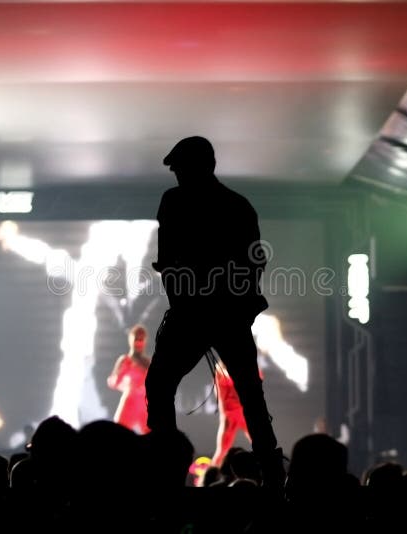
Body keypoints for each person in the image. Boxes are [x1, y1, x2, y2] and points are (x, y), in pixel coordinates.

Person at [145, 135, 285, 493]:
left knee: (159, 385)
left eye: (179, 167)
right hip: (228, 315)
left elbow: (170, 262)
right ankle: (272, 477)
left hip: (193, 315)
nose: (175, 173)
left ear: (193, 166)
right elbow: (254, 265)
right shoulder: (238, 206)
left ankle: (164, 469)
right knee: (251, 397)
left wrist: (185, 302)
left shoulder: (173, 202)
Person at [211, 359, 262, 467]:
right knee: (222, 451)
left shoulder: (243, 368)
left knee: (261, 446)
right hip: (230, 417)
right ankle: (210, 477)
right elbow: (227, 375)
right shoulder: (220, 371)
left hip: (244, 414)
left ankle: (270, 474)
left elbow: (259, 376)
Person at [107, 325, 151, 434]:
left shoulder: (148, 362)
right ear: (131, 340)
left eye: (141, 340)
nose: (139, 343)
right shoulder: (124, 360)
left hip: (146, 406)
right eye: (136, 339)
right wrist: (124, 381)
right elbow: (113, 382)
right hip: (130, 403)